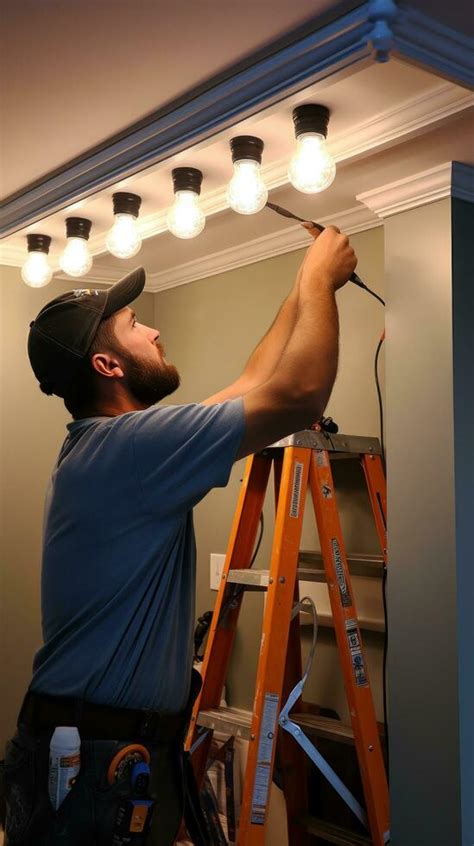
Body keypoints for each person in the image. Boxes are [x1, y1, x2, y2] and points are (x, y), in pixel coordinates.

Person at [1, 224, 357, 845]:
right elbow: (299, 394)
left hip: (100, 748)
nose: (154, 332)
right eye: (136, 325)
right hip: (98, 763)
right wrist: (324, 280)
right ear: (108, 365)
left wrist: (305, 279)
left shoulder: (113, 448)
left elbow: (252, 383)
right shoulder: (132, 448)